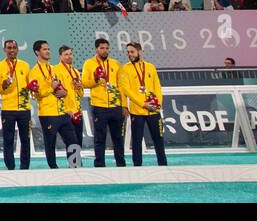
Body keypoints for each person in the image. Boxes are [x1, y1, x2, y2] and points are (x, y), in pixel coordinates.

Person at [30, 41, 79, 169]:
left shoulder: (54, 69)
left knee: (73, 141)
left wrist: (64, 93)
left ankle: (76, 166)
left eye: (48, 49)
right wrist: (51, 89)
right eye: (45, 49)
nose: (48, 51)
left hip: (63, 112)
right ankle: (53, 168)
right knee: (50, 143)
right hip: (48, 113)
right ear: (37, 52)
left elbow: (62, 88)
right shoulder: (34, 72)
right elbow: (36, 94)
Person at [119, 42, 167, 167]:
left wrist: (158, 104)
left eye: (132, 52)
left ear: (139, 51)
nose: (130, 54)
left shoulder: (150, 67)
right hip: (137, 111)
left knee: (158, 140)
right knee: (136, 141)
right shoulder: (125, 69)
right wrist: (143, 104)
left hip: (153, 111)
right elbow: (126, 90)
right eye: (128, 52)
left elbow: (157, 87)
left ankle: (163, 165)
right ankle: (137, 166)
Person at [82, 39, 125, 167]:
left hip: (115, 106)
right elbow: (84, 83)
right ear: (96, 49)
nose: (105, 50)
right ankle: (99, 164)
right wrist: (96, 79)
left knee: (118, 138)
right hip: (99, 106)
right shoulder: (89, 64)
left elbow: (121, 86)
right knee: (100, 138)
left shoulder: (115, 64)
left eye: (107, 48)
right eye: (102, 48)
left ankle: (121, 163)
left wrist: (123, 105)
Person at [0, 39, 31, 170]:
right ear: (4, 50)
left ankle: (25, 166)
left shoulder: (25, 65)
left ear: (18, 49)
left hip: (24, 109)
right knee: (8, 139)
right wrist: (3, 85)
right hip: (8, 109)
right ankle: (10, 167)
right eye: (9, 48)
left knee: (25, 139)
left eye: (14, 47)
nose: (12, 50)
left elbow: (30, 84)